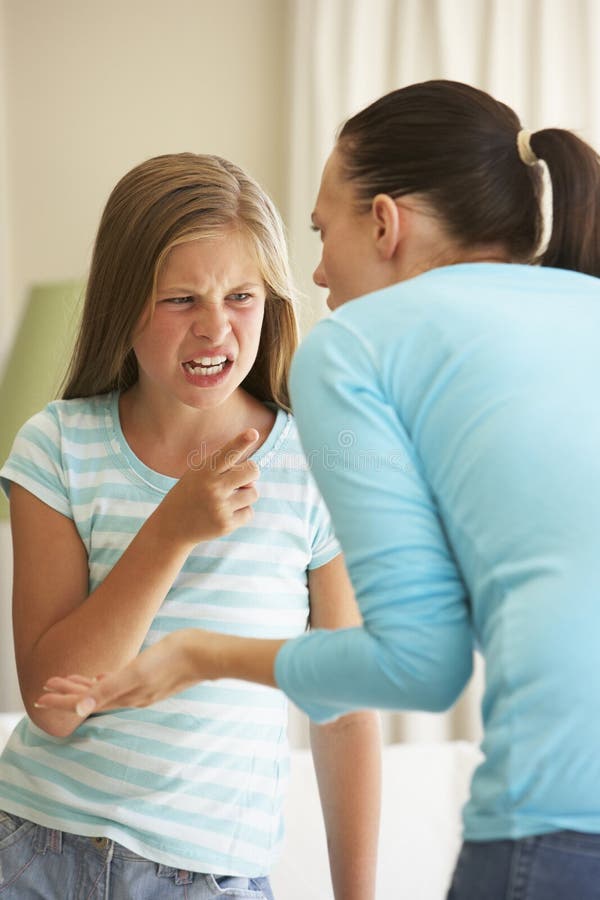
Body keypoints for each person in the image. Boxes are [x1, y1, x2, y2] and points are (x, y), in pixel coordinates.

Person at [37, 79, 600, 900]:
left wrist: (197, 655)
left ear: (384, 223)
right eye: (180, 299)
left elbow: (415, 666)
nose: (319, 272)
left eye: (322, 231)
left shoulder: (353, 357)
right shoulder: (581, 313)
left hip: (552, 816)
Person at [0, 152, 381, 899]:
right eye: (181, 300)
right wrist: (170, 531)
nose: (215, 329)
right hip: (36, 850)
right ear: (124, 302)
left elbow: (342, 716)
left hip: (206, 878)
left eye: (240, 295)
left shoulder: (319, 467)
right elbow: (55, 704)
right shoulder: (56, 447)